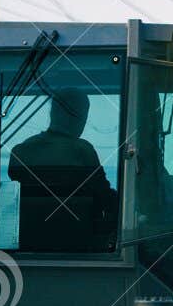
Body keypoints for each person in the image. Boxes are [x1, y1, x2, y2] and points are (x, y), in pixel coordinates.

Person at [8, 88, 116, 251]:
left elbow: (12, 204)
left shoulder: (20, 151)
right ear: (79, 117)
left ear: (53, 114)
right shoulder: (82, 151)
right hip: (79, 244)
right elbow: (104, 198)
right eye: (82, 114)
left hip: (29, 243)